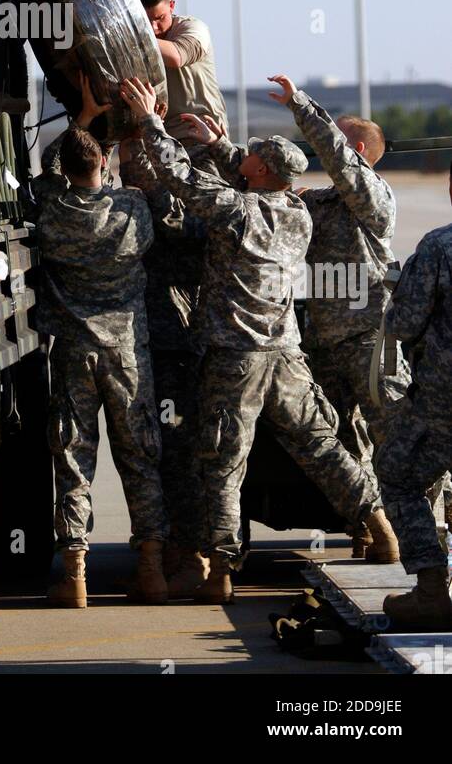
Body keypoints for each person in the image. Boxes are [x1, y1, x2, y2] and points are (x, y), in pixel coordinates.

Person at [118, 76, 399, 604]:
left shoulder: (238, 212)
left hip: (236, 358)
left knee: (223, 464)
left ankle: (222, 572)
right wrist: (222, 146)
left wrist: (151, 121)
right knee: (322, 446)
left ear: (263, 171)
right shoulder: (299, 214)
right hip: (287, 355)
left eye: (251, 155)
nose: (242, 156)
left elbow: (181, 178)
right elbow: (255, 179)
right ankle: (379, 525)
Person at [32, 75, 168, 607]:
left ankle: (75, 574)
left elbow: (48, 171)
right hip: (128, 354)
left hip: (74, 353)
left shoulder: (51, 210)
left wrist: (84, 118)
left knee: (73, 458)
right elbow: (152, 195)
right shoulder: (131, 208)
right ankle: (152, 569)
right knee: (141, 456)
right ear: (105, 164)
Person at [268, 74, 411, 557]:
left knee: (393, 431)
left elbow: (336, 157)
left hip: (372, 337)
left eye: (338, 138)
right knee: (341, 439)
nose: (323, 148)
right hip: (325, 341)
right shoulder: (322, 200)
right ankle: (368, 525)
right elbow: (269, 186)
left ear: (358, 150)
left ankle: (420, 524)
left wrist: (301, 107)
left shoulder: (374, 198)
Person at [118, 131, 207, 597]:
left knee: (176, 457)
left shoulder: (176, 216)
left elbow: (178, 225)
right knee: (159, 455)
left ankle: (191, 555)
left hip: (171, 349)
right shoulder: (158, 210)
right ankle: (173, 552)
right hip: (153, 347)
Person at [376, 169, 452, 629]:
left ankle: (431, 591)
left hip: (442, 401)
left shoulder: (440, 246)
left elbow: (403, 325)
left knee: (397, 474)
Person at [132, 0, 228, 148]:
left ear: (171, 6)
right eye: (145, 20)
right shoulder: (134, 41)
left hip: (204, 137)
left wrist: (133, 35)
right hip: (164, 139)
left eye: (160, 18)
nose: (153, 27)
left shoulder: (193, 28)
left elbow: (177, 57)